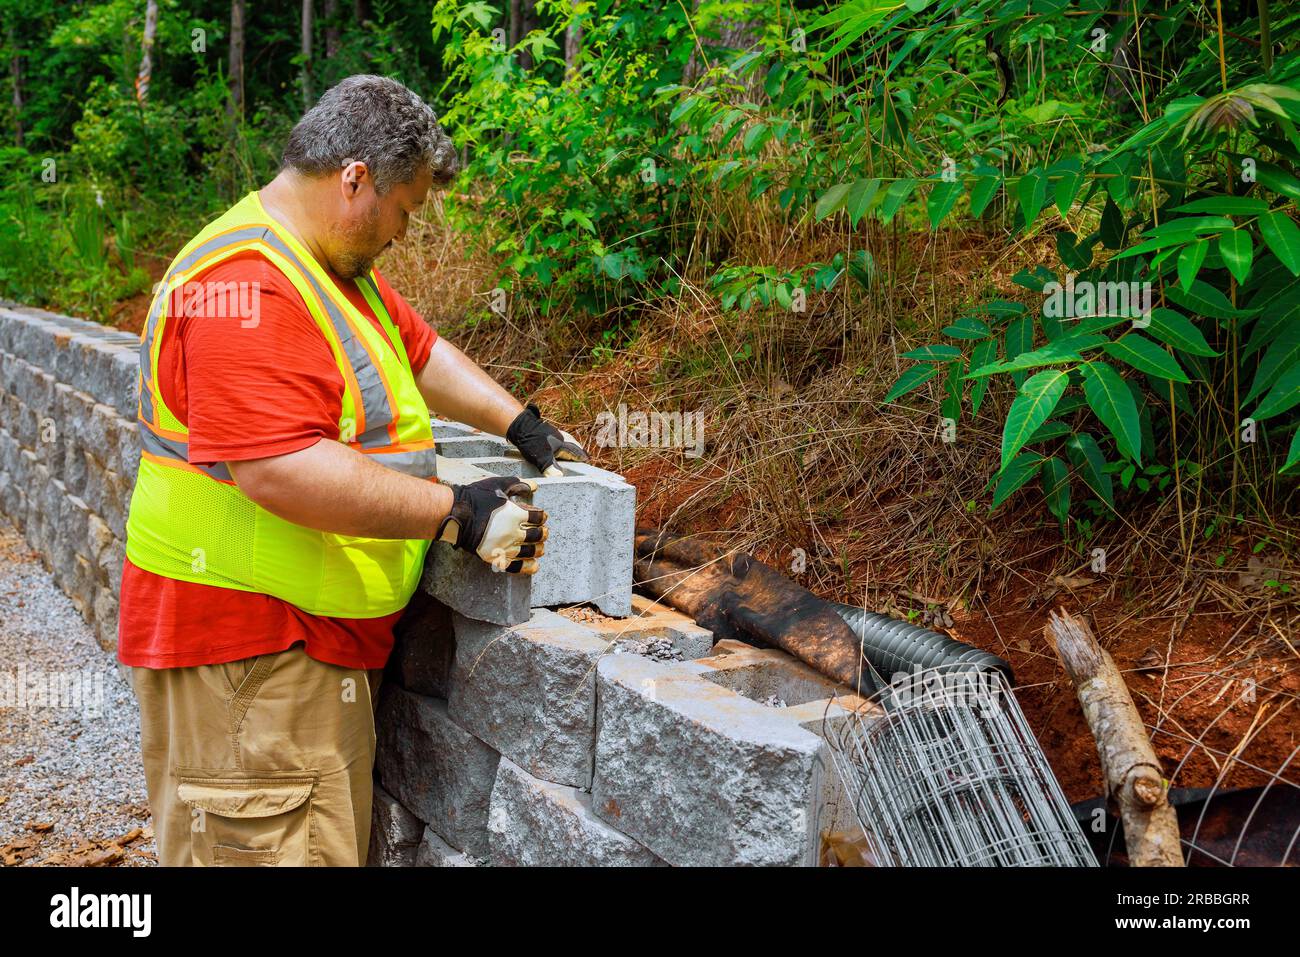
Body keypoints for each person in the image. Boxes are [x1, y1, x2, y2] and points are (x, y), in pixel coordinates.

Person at [119, 74, 587, 866]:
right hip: (251, 655)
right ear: (355, 178)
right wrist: (457, 512)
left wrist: (519, 422)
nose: (404, 233)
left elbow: (419, 349)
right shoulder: (248, 289)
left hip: (298, 647)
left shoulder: (326, 266)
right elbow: (278, 467)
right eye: (404, 209)